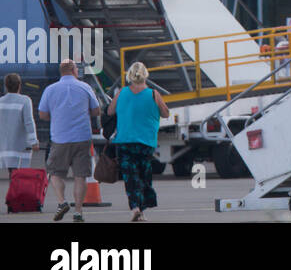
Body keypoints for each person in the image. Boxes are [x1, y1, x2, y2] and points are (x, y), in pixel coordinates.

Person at [38, 60, 100, 222]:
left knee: (54, 172)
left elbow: (42, 114)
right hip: (82, 137)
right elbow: (96, 110)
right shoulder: (85, 87)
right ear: (73, 70)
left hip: (60, 138)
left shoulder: (50, 89)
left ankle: (62, 202)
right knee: (80, 176)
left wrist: (56, 116)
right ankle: (78, 212)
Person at [107, 62, 168, 221]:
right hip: (146, 142)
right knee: (143, 176)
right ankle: (142, 209)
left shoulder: (122, 92)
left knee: (130, 177)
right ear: (145, 75)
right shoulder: (153, 94)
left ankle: (135, 208)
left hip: (125, 141)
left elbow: (110, 111)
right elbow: (166, 113)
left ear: (130, 76)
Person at [0, 73, 39, 170]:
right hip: (21, 148)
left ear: (6, 86)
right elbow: (29, 122)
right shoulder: (25, 100)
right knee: (19, 174)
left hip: (5, 147)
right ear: (19, 85)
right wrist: (34, 141)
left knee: (12, 172)